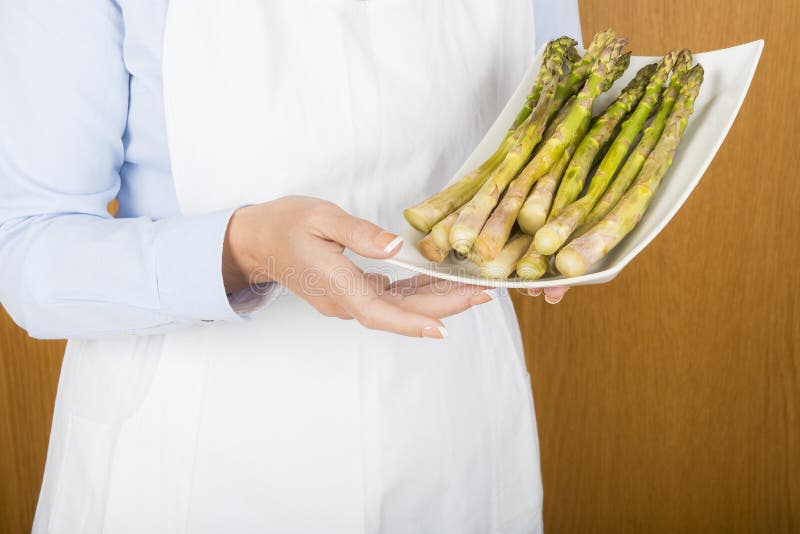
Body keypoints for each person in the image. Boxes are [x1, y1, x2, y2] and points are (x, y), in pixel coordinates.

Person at [0, 1, 581, 532]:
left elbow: (566, 135)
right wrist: (243, 249)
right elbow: (29, 248)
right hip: (190, 455)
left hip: (456, 430)